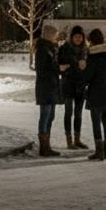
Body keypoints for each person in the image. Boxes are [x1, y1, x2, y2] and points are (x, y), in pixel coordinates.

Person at [82, 27, 106, 161]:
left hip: (96, 92)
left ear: (92, 41)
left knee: (96, 121)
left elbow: (88, 76)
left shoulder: (94, 56)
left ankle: (99, 151)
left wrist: (83, 70)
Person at [57, 24, 90, 150]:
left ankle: (77, 139)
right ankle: (69, 140)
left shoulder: (86, 50)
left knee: (78, 114)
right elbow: (60, 64)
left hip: (81, 85)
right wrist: (70, 66)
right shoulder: (64, 48)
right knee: (68, 112)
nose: (78, 39)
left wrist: (85, 67)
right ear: (72, 37)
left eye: (80, 36)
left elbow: (89, 66)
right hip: (68, 84)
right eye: (76, 36)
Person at [33, 24, 63, 157]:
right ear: (49, 35)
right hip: (45, 87)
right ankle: (44, 147)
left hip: (51, 86)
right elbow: (42, 69)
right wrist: (58, 68)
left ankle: (47, 146)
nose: (57, 37)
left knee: (50, 116)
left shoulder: (51, 48)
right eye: (55, 35)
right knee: (45, 116)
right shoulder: (43, 50)